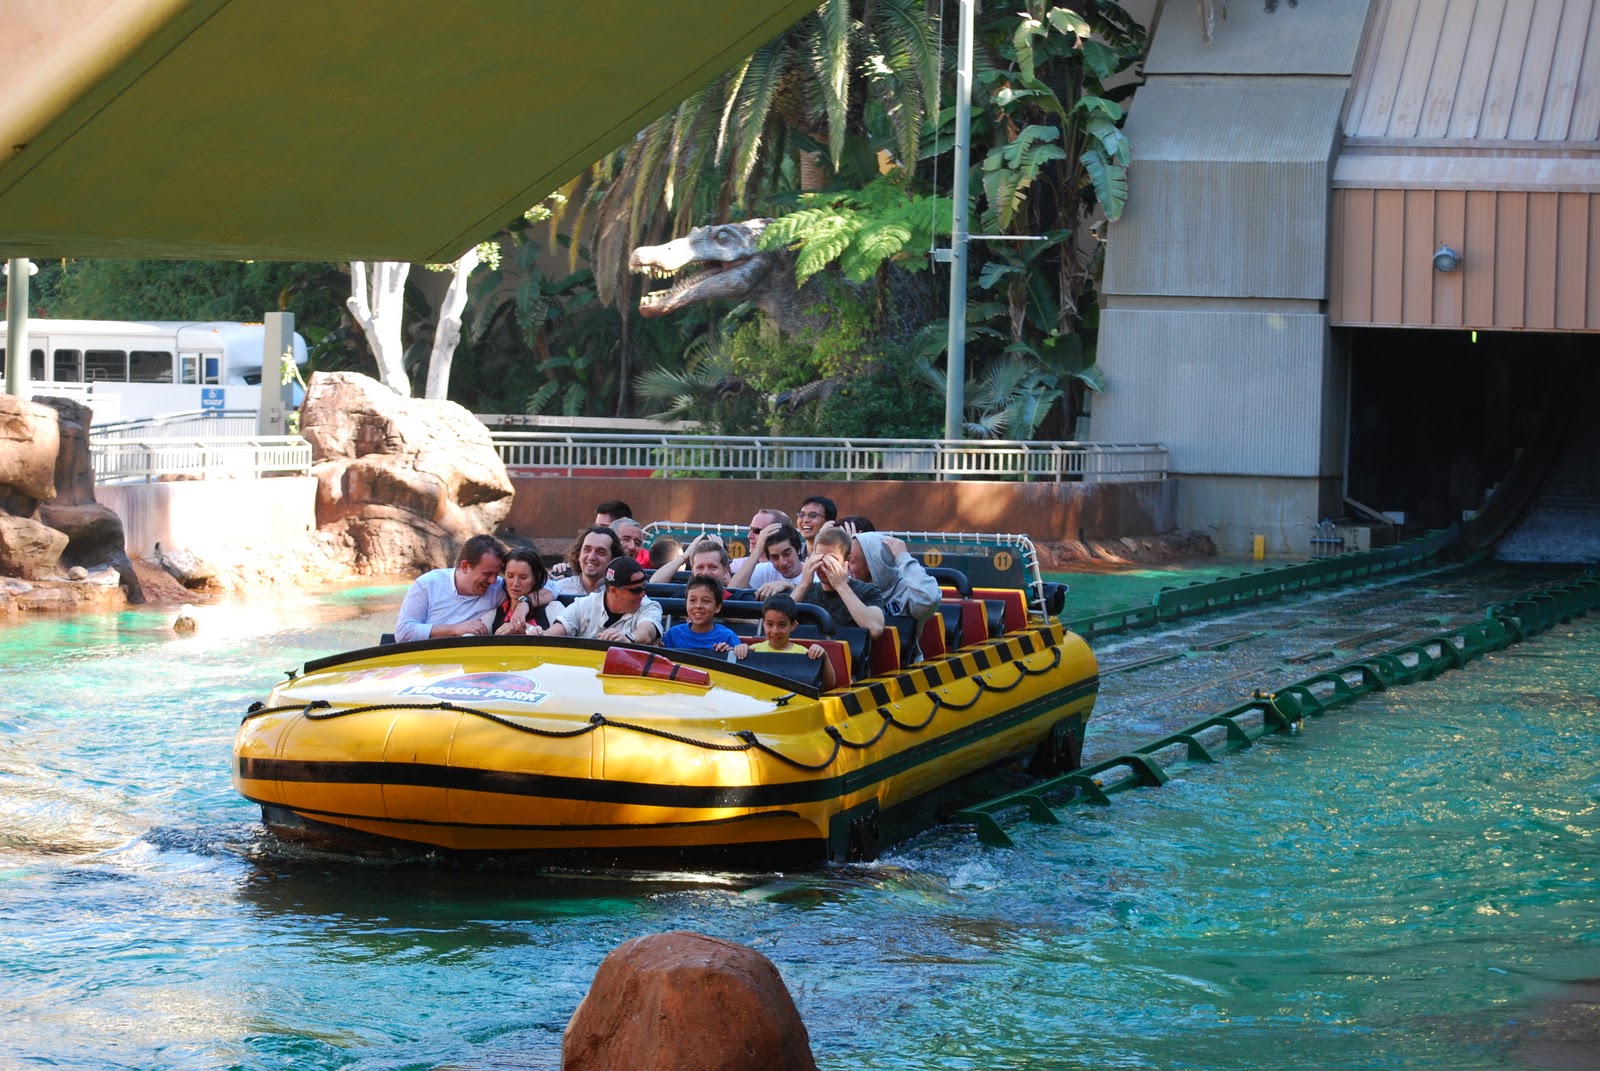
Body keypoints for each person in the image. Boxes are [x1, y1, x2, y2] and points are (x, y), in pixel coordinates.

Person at [395, 534, 515, 641]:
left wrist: (523, 604)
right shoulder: (428, 584)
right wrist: (454, 629)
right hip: (429, 660)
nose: (493, 581)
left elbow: (529, 589)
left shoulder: (497, 589)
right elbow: (403, 632)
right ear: (465, 566)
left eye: (496, 574)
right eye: (487, 574)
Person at [533, 556, 663, 644]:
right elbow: (559, 629)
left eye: (644, 587)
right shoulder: (584, 605)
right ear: (613, 591)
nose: (642, 594)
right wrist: (540, 635)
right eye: (635, 590)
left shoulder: (648, 606)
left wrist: (628, 639)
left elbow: (647, 631)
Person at [851, 532, 941, 658]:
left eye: (851, 561)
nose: (847, 568)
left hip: (902, 667)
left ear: (872, 565)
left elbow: (929, 599)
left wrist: (903, 557)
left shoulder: (905, 589)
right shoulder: (847, 589)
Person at [792, 525, 885, 638]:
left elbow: (875, 629)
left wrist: (841, 586)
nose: (823, 566)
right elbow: (775, 623)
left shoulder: (868, 591)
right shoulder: (804, 591)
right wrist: (803, 584)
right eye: (819, 559)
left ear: (848, 560)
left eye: (831, 560)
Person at [728, 593, 835, 689]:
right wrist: (739, 650)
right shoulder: (753, 651)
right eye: (770, 624)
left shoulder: (805, 654)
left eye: (782, 625)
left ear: (793, 625)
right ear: (763, 623)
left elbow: (829, 685)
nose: (775, 631)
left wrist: (823, 655)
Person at [660, 575, 743, 653]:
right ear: (686, 604)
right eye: (692, 600)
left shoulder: (727, 637)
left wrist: (731, 651)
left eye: (706, 601)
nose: (698, 606)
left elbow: (739, 659)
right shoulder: (673, 634)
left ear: (717, 607)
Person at [482, 547, 554, 635]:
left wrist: (528, 629)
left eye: (523, 577)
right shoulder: (492, 616)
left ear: (536, 578)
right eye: (510, 576)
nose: (515, 583)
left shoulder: (553, 609)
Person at [733, 522, 807, 598]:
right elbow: (732, 592)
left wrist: (792, 587)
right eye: (775, 557)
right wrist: (758, 549)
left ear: (798, 549)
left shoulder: (813, 574)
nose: (782, 563)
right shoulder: (764, 570)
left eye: (787, 554)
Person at [549, 525, 624, 597]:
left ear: (613, 559)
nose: (591, 557)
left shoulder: (620, 595)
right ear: (578, 555)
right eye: (587, 550)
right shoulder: (557, 590)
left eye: (601, 552)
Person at [651, 532, 734, 587]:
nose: (705, 573)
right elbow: (654, 584)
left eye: (712, 567)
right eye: (700, 567)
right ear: (692, 570)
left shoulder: (734, 594)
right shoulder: (684, 593)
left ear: (726, 570)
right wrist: (685, 555)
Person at [728, 507, 790, 575]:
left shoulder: (792, 569)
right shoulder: (740, 565)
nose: (749, 536)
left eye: (757, 531)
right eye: (750, 529)